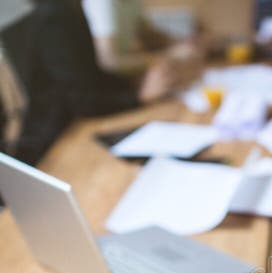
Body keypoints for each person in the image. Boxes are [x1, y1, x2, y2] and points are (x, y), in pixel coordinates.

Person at [0, 0, 178, 164]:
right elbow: (82, 101)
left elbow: (92, 76)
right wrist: (138, 97)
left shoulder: (71, 9)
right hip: (56, 142)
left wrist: (135, 87)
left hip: (78, 126)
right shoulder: (54, 19)